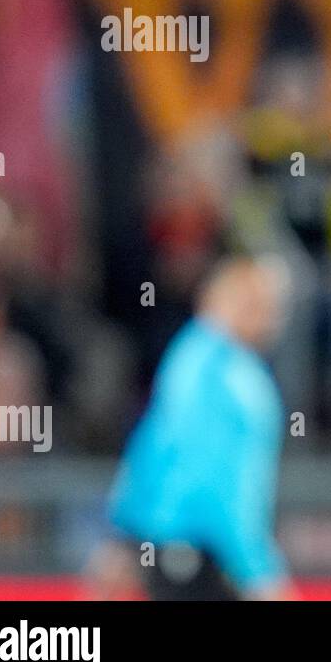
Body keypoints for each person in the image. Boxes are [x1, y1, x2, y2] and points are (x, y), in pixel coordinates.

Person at [97, 255, 294, 600]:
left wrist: (120, 532)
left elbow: (152, 448)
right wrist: (259, 570)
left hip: (171, 551)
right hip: (207, 557)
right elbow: (226, 481)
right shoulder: (232, 376)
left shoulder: (186, 354)